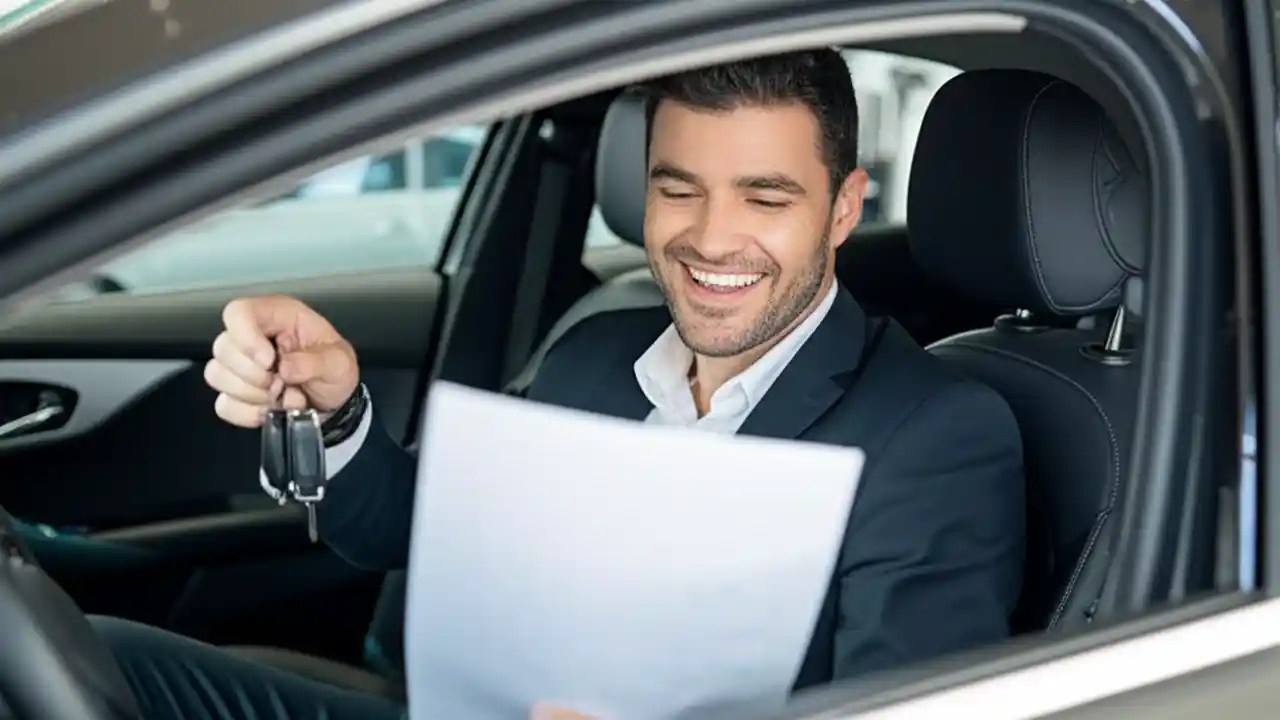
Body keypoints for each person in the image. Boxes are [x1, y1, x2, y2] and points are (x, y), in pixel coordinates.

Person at [92, 48, 1026, 720]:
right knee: (105, 660)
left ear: (844, 209)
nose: (710, 236)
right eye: (678, 188)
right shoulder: (593, 356)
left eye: (765, 197)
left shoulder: (934, 433)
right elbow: (413, 530)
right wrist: (334, 407)